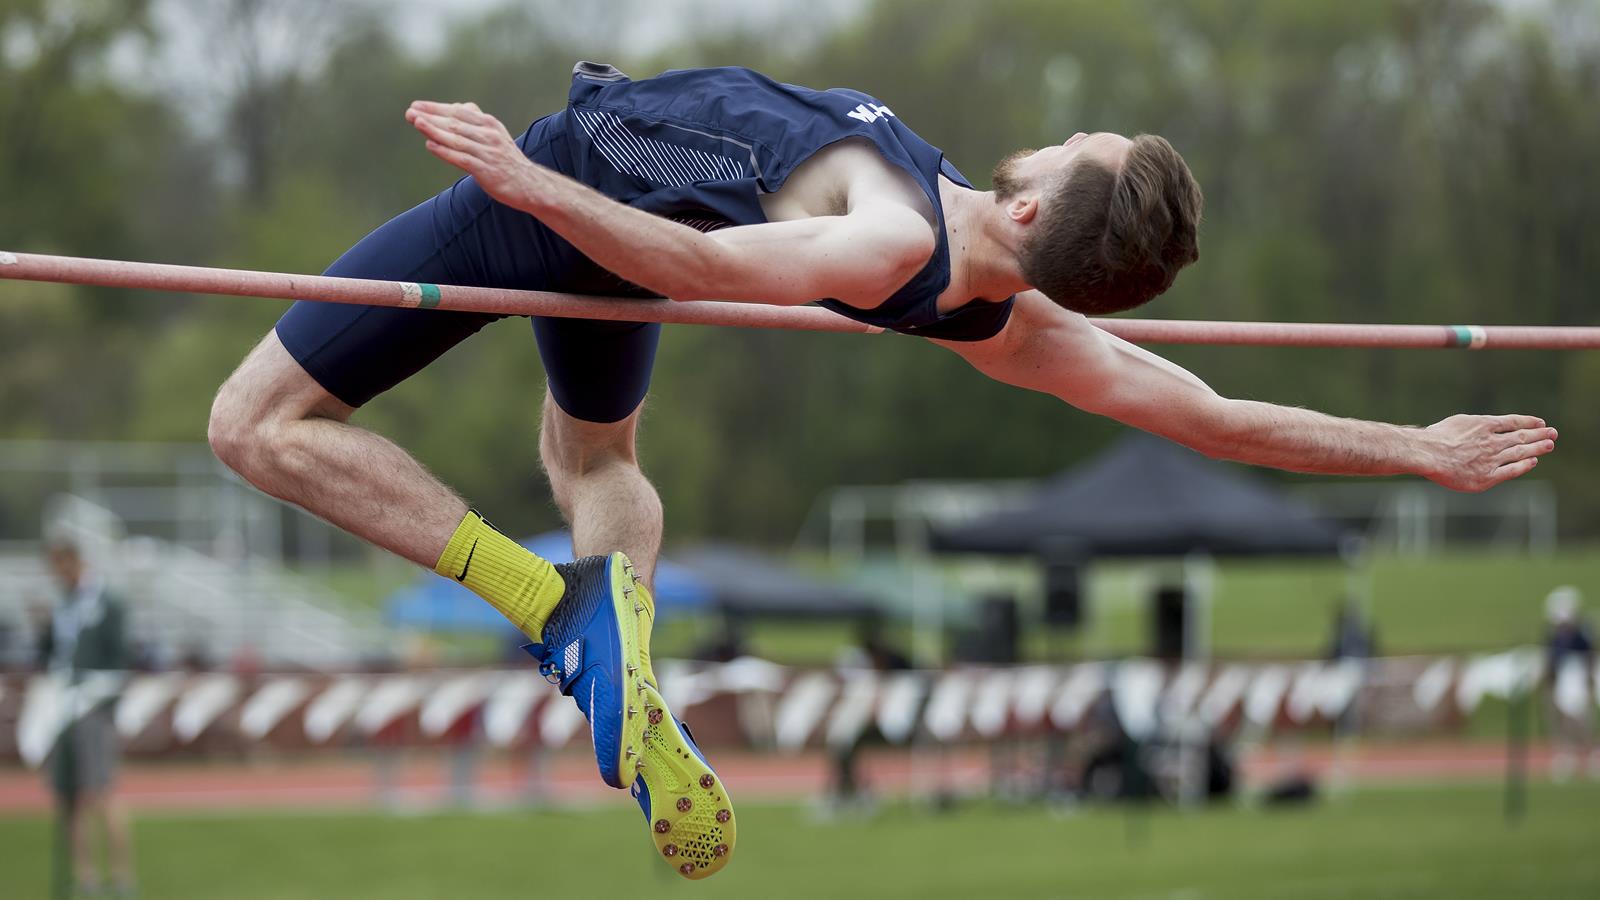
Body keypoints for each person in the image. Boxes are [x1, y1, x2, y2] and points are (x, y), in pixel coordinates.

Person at [206, 62, 1558, 877]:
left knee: (254, 426)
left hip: (559, 205)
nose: (1077, 126)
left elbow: (693, 265)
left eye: (1085, 140)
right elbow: (1210, 416)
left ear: (1033, 207)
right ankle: (607, 615)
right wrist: (1413, 450)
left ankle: (551, 603)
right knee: (597, 453)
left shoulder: (886, 239)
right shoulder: (1006, 315)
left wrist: (523, 179)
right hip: (604, 239)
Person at [38, 538, 135, 897]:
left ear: (75, 562)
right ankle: (85, 878)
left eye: (61, 567)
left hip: (93, 708)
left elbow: (121, 658)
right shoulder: (64, 604)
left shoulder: (107, 601)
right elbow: (55, 653)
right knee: (71, 795)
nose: (57, 575)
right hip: (62, 705)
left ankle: (122, 879)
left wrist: (96, 694)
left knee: (102, 791)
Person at [1543, 587, 1596, 782]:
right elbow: (1551, 660)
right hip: (1561, 681)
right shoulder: (1554, 635)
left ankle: (1590, 754)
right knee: (1561, 721)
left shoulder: (1581, 634)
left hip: (1576, 680)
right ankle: (1567, 755)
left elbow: (1588, 657)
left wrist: (1589, 681)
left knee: (1581, 719)